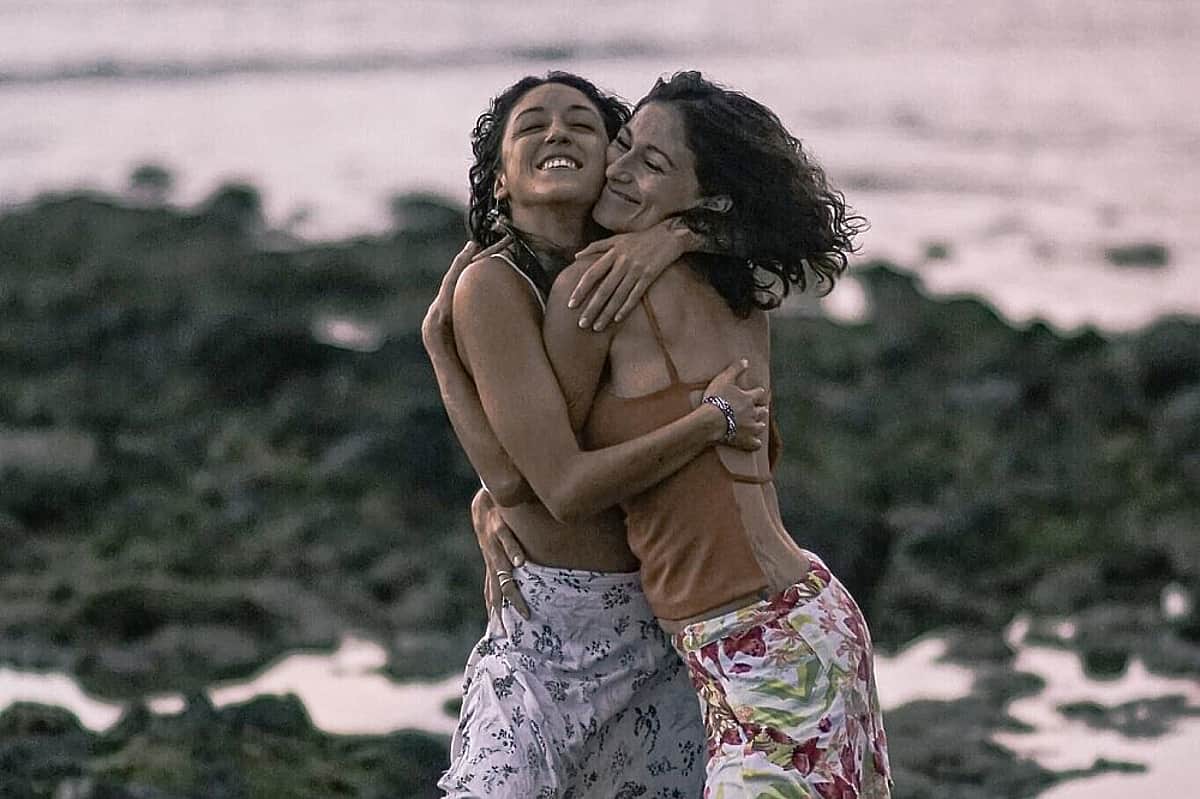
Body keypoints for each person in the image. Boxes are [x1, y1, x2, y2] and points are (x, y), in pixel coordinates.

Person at [473, 72, 892, 797]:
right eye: (626, 147)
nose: (622, 170)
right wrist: (679, 230)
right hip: (795, 621)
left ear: (708, 201)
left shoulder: (592, 287)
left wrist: (441, 353)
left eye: (653, 165)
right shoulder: (738, 288)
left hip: (765, 645)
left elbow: (539, 478)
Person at [423, 71, 770, 798]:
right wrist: (439, 350)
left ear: (613, 160)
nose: (558, 133)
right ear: (498, 185)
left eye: (583, 124)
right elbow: (534, 484)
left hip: (658, 624)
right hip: (552, 635)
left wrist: (677, 232)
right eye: (533, 126)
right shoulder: (495, 282)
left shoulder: (632, 260)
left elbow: (764, 219)